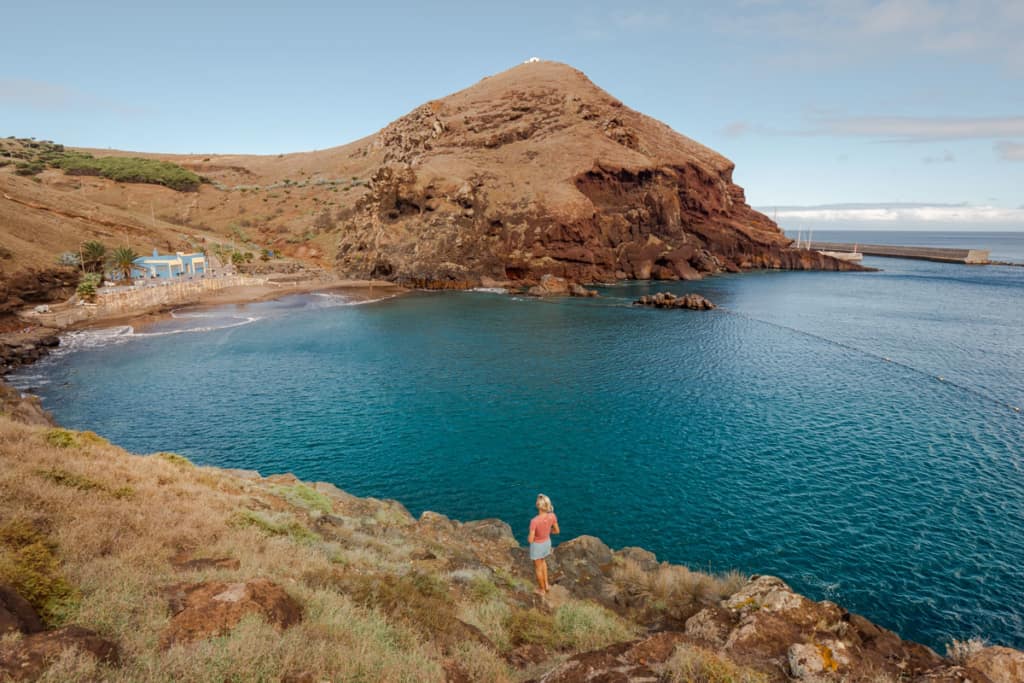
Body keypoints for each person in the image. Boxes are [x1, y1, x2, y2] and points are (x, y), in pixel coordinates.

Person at [528, 493, 559, 595]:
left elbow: (530, 540)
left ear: (538, 505)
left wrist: (530, 537)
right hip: (547, 543)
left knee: (538, 568)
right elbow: (557, 531)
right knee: (543, 562)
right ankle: (546, 585)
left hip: (537, 546)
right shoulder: (552, 516)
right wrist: (548, 532)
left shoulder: (534, 521)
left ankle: (542, 590)